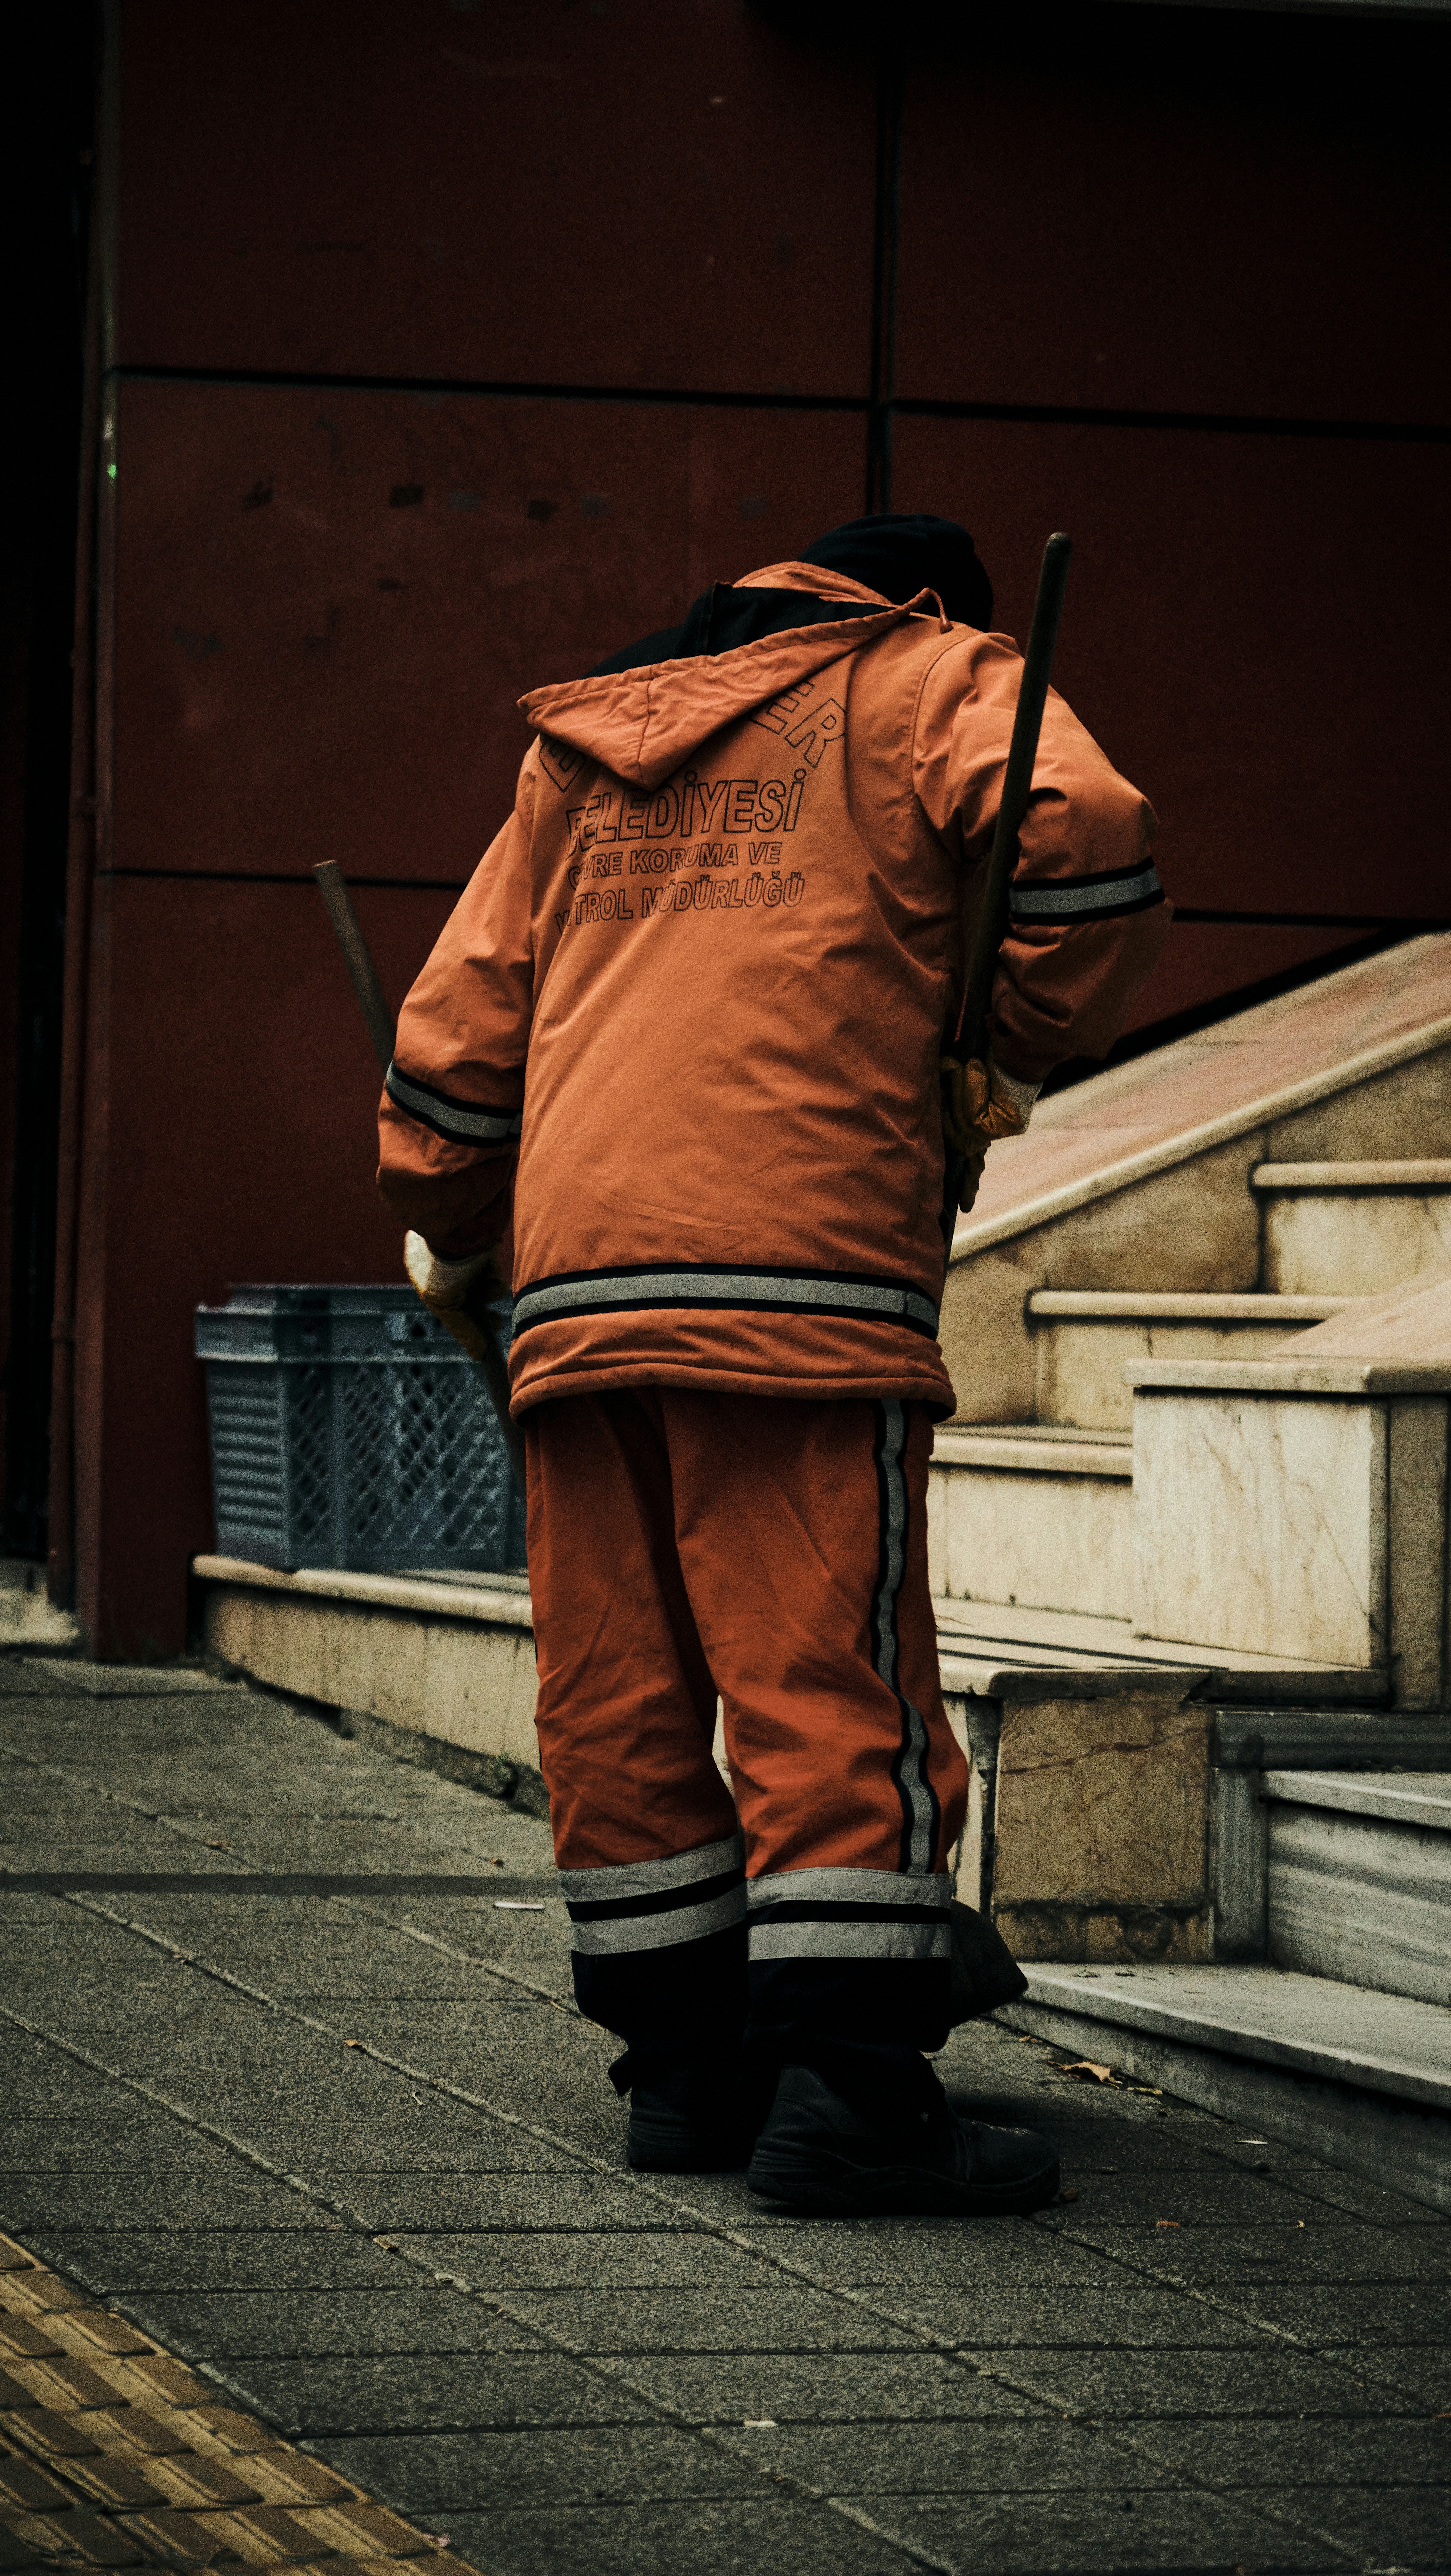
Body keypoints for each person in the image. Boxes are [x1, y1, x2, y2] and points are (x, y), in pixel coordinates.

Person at [377, 512, 1170, 2216]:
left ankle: (686, 2076)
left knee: (619, 1692)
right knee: (827, 1684)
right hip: (799, 1276)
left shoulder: (583, 751)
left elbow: (452, 1047)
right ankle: (858, 2101)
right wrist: (1006, 1040)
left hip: (575, 1296)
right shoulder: (932, 672)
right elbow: (1086, 834)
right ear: (915, 599)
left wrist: (452, 1212)